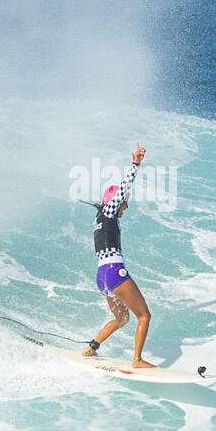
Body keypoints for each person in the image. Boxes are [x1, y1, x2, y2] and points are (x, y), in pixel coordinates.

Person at [83, 143, 155, 368]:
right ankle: (137, 360)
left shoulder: (99, 219)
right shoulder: (109, 211)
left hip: (102, 275)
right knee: (144, 316)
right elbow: (123, 189)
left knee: (122, 318)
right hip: (115, 271)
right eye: (125, 202)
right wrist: (136, 163)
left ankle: (91, 348)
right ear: (115, 202)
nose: (127, 206)